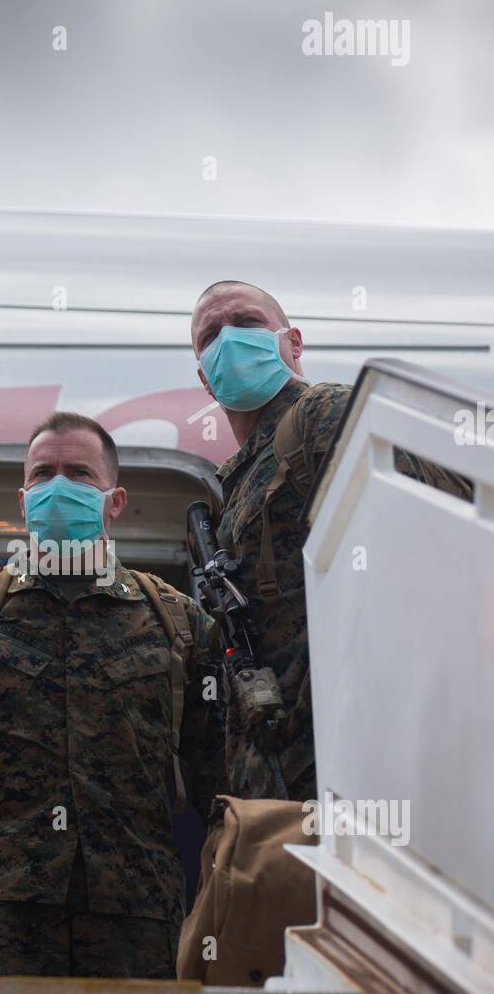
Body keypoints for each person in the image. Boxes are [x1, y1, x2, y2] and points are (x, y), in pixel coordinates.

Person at [0, 412, 220, 978]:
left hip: (137, 928)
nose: (59, 487)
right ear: (24, 499)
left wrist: (229, 895)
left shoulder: (178, 623)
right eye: (43, 475)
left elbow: (217, 780)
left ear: (116, 500)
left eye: (79, 474)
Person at [190, 279, 472, 802]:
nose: (230, 339)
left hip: (350, 765)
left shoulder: (324, 414)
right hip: (281, 773)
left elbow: (420, 564)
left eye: (248, 323)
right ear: (205, 379)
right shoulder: (241, 478)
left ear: (293, 343)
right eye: (211, 334)